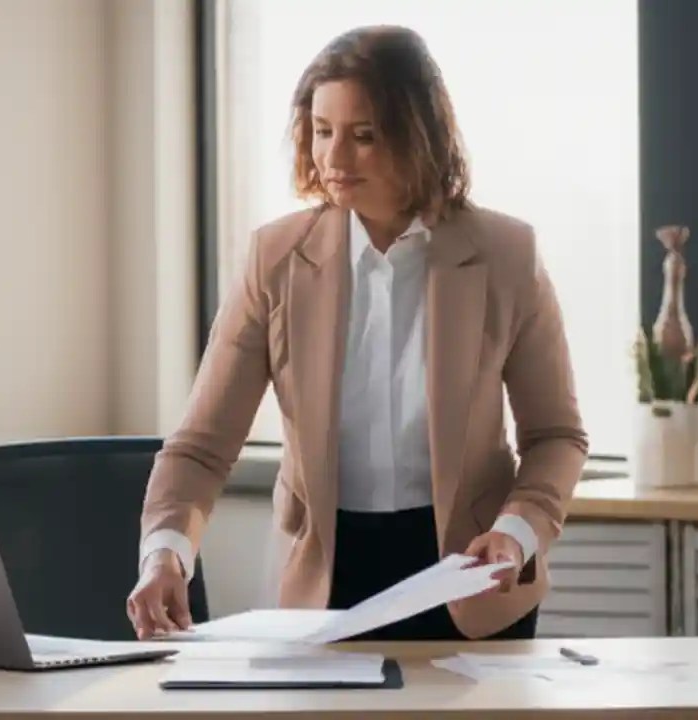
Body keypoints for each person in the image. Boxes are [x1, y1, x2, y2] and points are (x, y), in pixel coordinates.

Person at [127, 24, 588, 642]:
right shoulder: (276, 258)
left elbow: (556, 435)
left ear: (419, 135)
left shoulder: (506, 253)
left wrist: (518, 530)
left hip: (472, 580)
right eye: (322, 132)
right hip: (324, 582)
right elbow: (200, 448)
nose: (334, 159)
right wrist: (165, 554)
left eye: (363, 136)